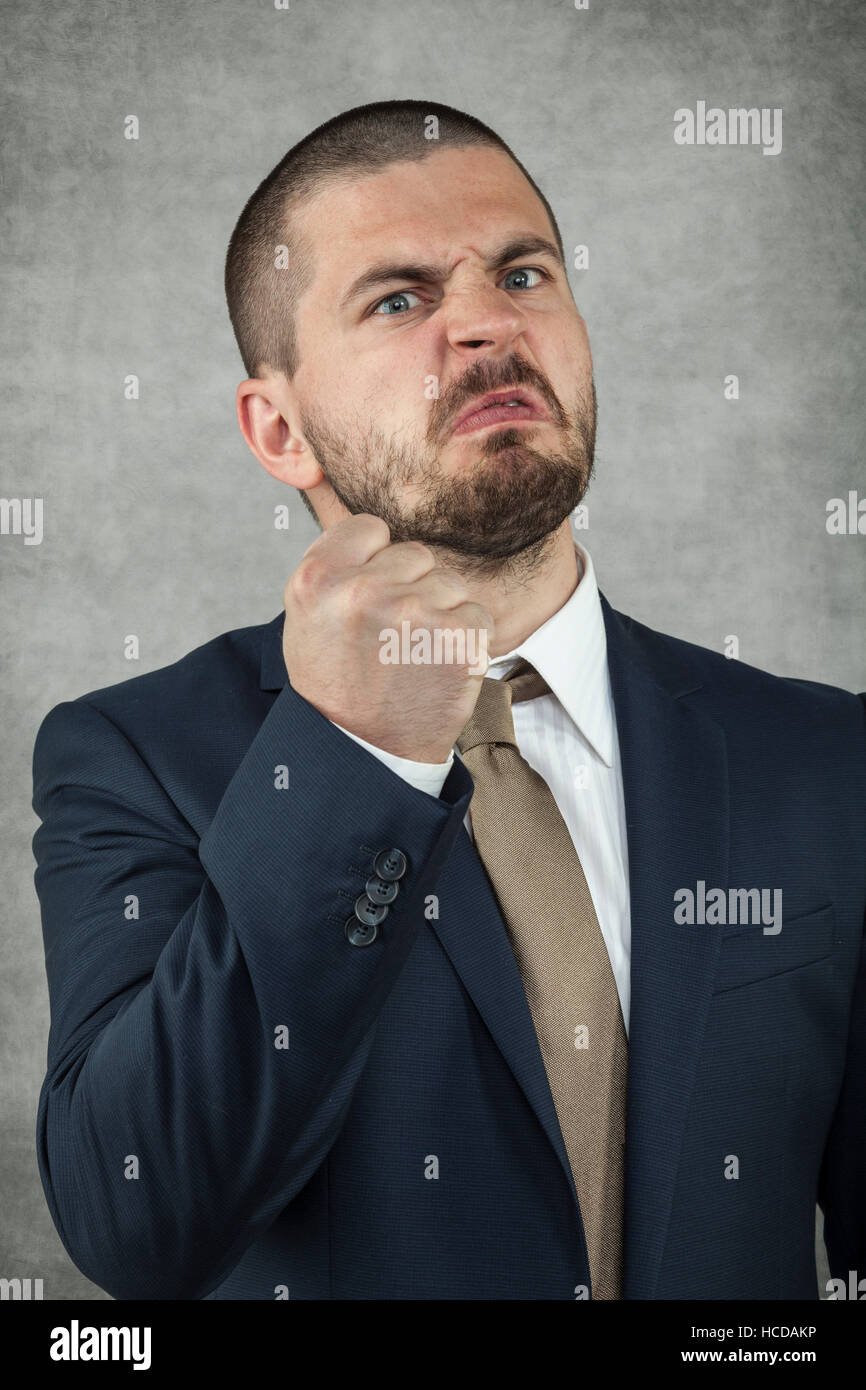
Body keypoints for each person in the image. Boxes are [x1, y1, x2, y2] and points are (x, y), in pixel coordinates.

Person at [32, 99, 865, 1301]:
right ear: (279, 428)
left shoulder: (822, 756)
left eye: (522, 274)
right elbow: (137, 1218)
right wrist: (354, 754)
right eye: (399, 299)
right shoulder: (133, 756)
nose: (484, 324)